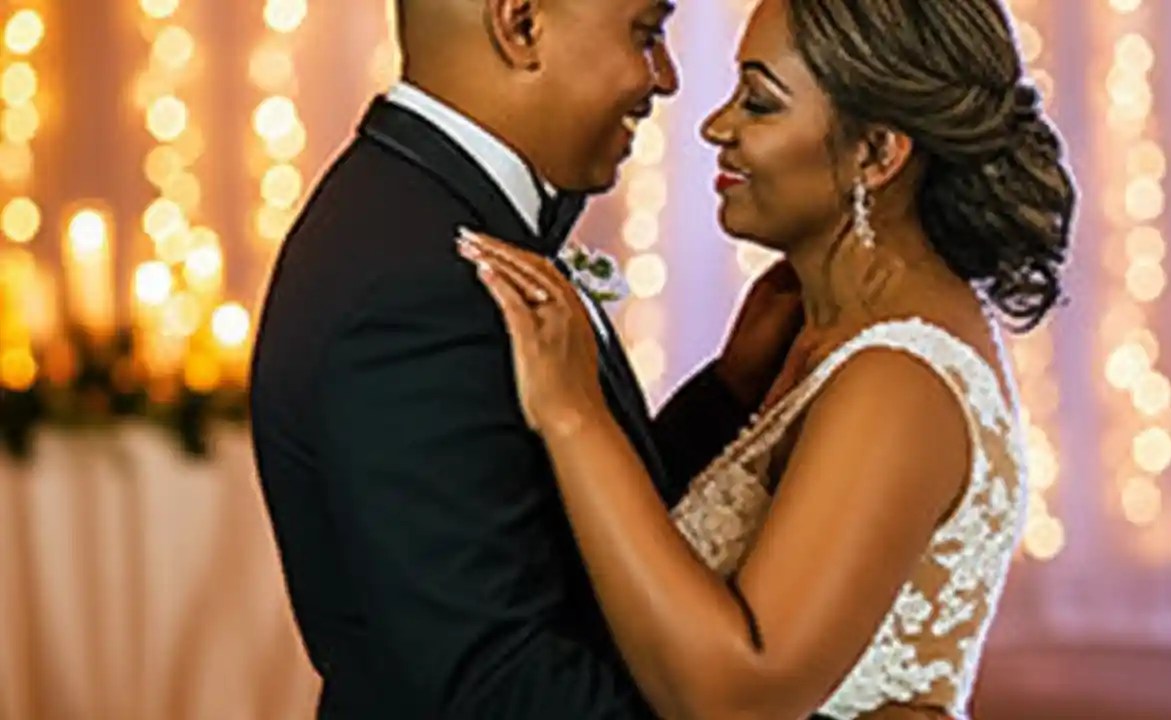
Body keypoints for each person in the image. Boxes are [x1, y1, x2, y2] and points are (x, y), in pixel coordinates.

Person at [458, 0, 1077, 718]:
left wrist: (574, 416)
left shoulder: (898, 384)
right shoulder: (824, 339)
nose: (716, 126)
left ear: (877, 153)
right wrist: (727, 390)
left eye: (759, 102)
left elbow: (739, 696)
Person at [249, 0, 803, 717]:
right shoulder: (416, 287)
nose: (664, 79)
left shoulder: (427, 215)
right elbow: (497, 683)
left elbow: (552, 535)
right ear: (520, 24)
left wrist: (729, 390)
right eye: (647, 33)